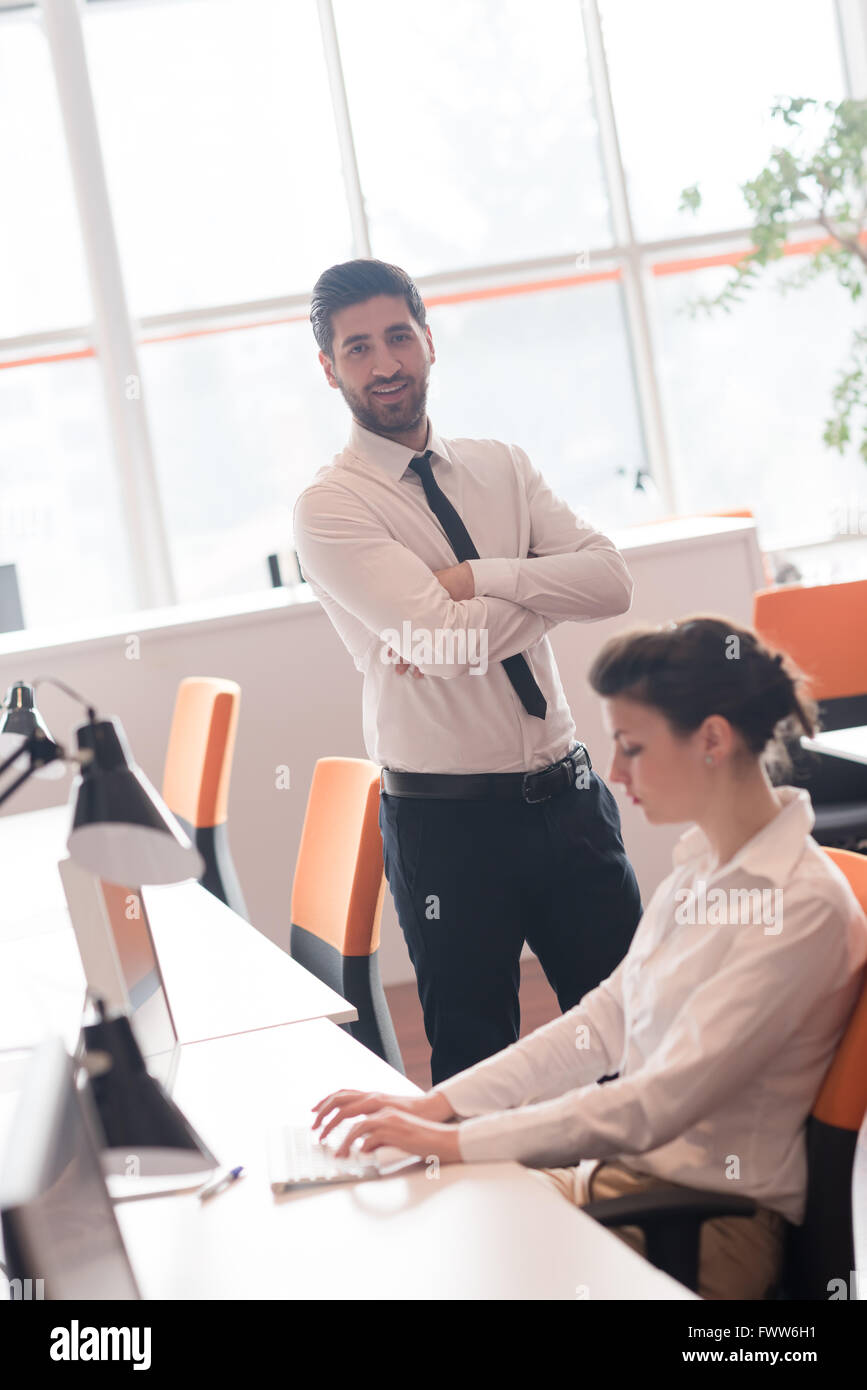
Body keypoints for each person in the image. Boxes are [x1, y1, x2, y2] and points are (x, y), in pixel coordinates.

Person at [311, 616, 867, 1301]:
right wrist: (436, 1106)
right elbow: (601, 1023)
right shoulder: (699, 871)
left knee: (441, 1247)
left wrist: (452, 1141)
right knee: (408, 1218)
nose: (611, 772)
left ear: (712, 740)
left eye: (632, 747)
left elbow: (654, 1104)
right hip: (614, 1187)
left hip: (699, 1231)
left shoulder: (799, 905)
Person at [294, 258, 642, 1084]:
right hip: (448, 832)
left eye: (398, 337)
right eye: (357, 349)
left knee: (637, 1039)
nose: (384, 365)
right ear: (328, 367)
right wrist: (535, 583)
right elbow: (445, 642)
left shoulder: (502, 467)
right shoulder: (331, 507)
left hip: (570, 802)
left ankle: (646, 1213)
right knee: (477, 1069)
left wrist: (480, 579)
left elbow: (612, 581)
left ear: (427, 340)